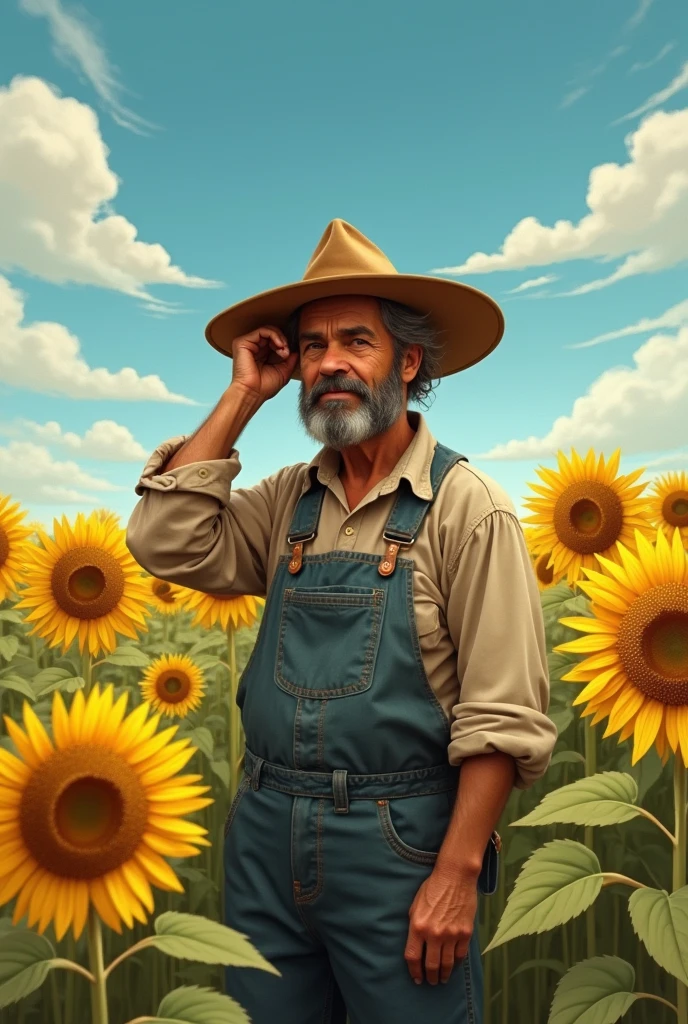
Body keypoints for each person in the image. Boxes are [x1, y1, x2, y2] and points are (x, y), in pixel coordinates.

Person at [126, 218, 558, 1024]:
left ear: (409, 360)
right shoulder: (291, 498)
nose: (330, 364)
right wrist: (244, 393)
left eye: (357, 341)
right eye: (312, 345)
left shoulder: (468, 509)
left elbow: (502, 716)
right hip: (263, 833)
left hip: (400, 843)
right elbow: (164, 541)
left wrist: (457, 873)